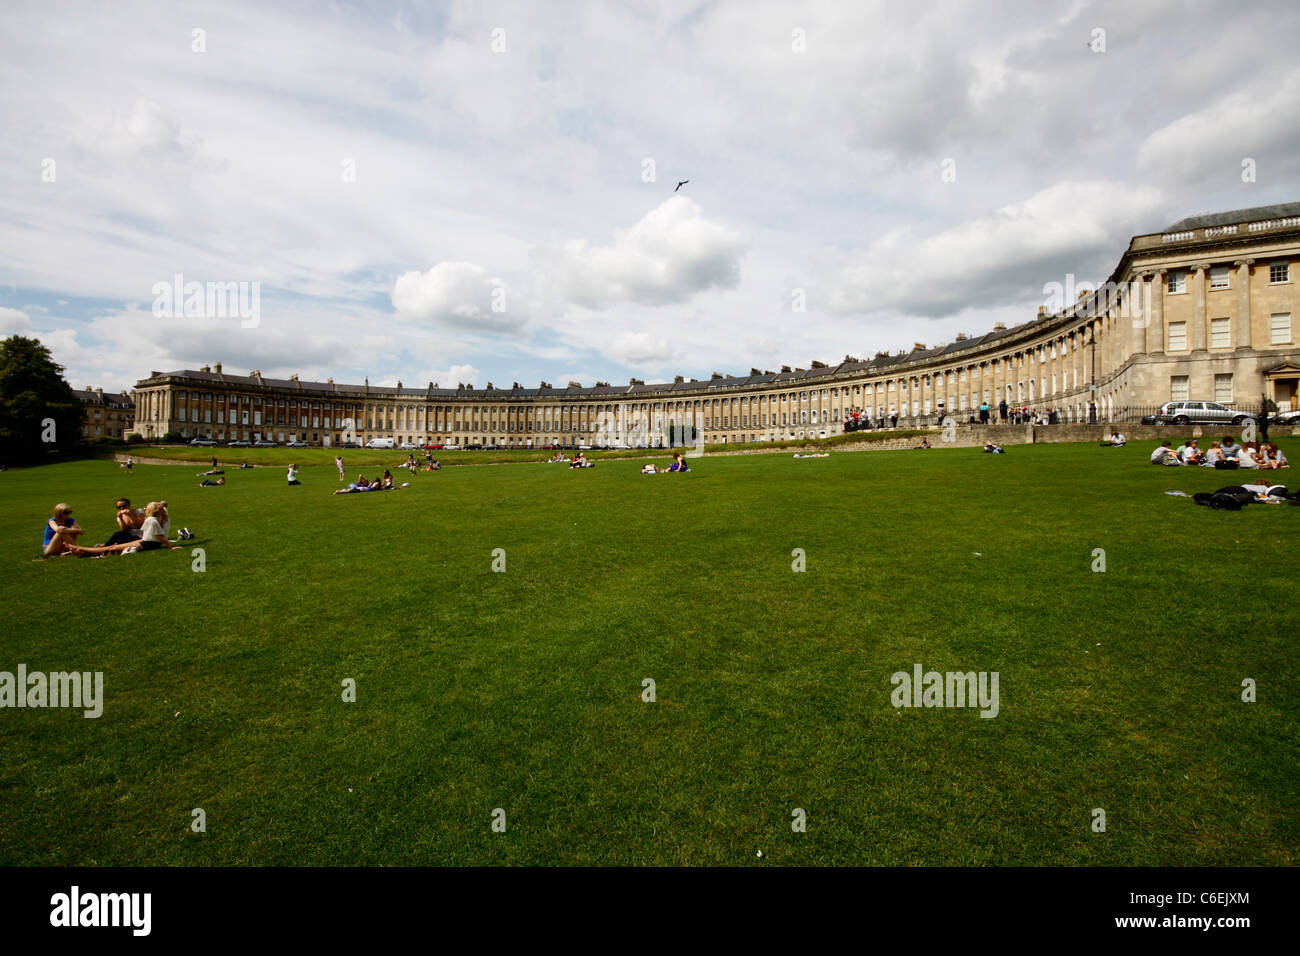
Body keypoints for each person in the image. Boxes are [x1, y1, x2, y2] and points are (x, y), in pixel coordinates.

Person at [66, 501, 181, 556]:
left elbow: (160, 536)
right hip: (148, 541)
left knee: (114, 547)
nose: (144, 509)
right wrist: (160, 504)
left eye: (146, 508)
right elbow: (164, 505)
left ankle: (81, 549)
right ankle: (83, 551)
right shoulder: (164, 516)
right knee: (114, 546)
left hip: (149, 543)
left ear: (151, 510)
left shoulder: (151, 520)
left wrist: (170, 547)